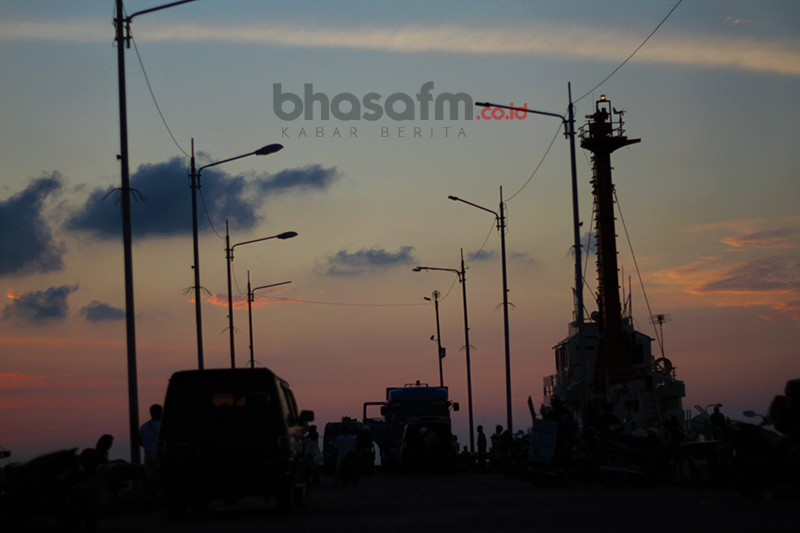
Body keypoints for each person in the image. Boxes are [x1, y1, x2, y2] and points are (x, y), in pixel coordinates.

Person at [139, 404, 162, 492]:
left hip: (148, 455)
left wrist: (147, 446)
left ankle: (149, 497)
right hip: (160, 456)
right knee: (160, 478)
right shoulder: (162, 426)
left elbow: (139, 440)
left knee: (149, 479)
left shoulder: (144, 426)